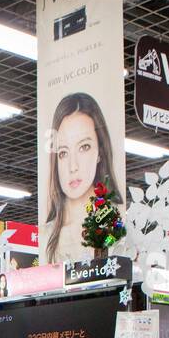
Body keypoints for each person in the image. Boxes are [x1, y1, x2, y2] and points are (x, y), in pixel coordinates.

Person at [42, 92, 124, 265]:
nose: (73, 166)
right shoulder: (46, 235)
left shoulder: (116, 221)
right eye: (63, 152)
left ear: (100, 152)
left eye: (84, 147)